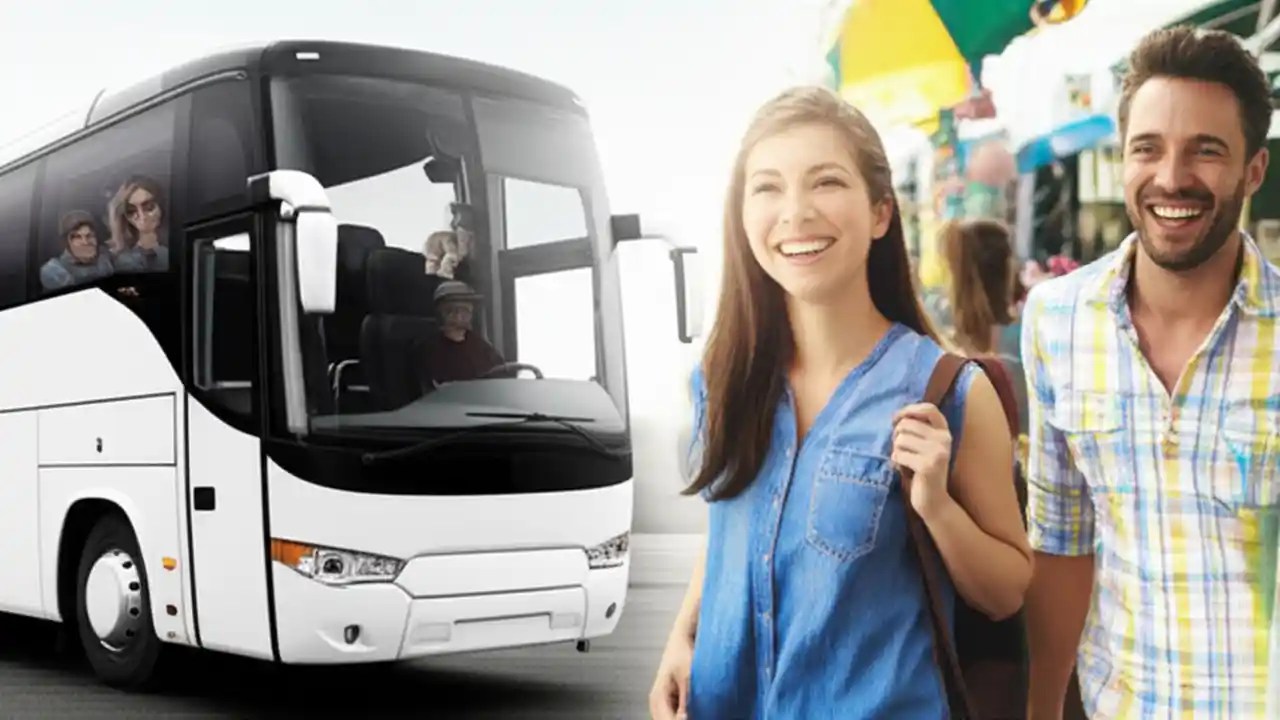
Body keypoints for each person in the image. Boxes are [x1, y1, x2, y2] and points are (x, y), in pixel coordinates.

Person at [648, 86, 1032, 719]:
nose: (795, 212)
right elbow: (730, 532)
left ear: (881, 213)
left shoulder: (949, 392)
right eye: (767, 188)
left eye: (825, 182)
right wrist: (682, 636)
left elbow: (1007, 592)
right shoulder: (719, 382)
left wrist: (937, 507)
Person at [1022, 26, 1280, 719]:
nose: (1171, 177)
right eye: (1147, 148)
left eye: (1206, 150)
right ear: (1122, 157)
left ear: (1254, 171)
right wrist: (1042, 709)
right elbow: (1061, 544)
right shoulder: (1056, 321)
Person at [418, 280, 505, 388]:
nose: (459, 315)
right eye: (451, 310)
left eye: (465, 309)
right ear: (441, 312)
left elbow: (502, 372)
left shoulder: (481, 345)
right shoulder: (429, 350)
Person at [108, 175, 169, 273]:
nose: (142, 216)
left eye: (148, 207)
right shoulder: (125, 258)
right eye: (132, 210)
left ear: (160, 205)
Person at [40, 209, 114, 290]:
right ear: (67, 242)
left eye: (89, 236)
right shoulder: (53, 270)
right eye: (77, 237)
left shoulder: (106, 259)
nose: (85, 242)